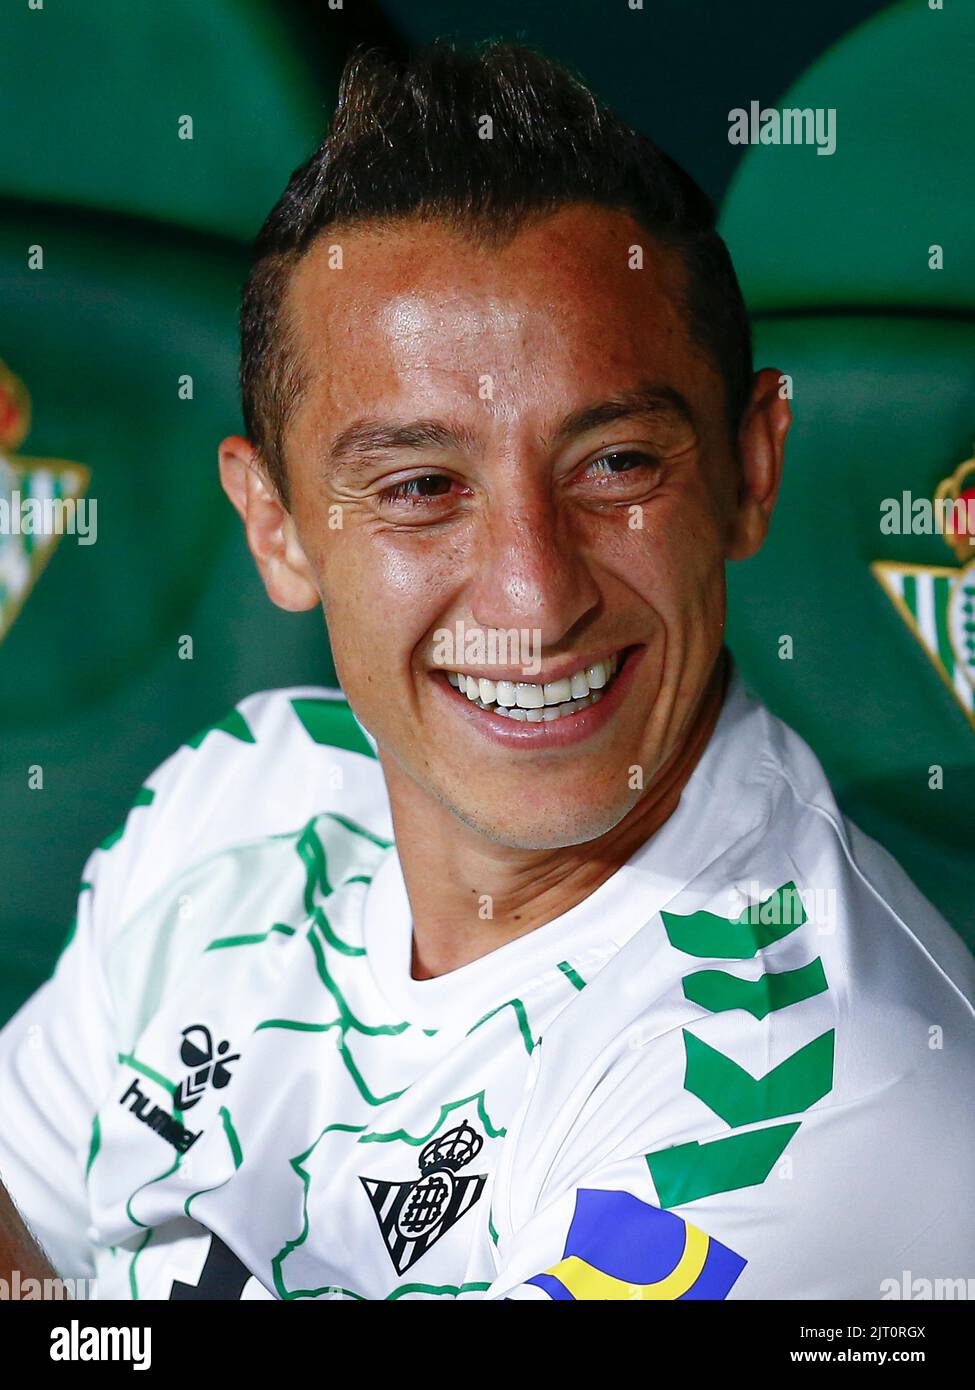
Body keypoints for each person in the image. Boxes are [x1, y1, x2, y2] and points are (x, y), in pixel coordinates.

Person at [1, 39, 972, 1302]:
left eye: (615, 464)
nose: (534, 592)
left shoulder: (809, 1093)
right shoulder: (242, 794)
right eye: (420, 488)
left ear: (752, 469)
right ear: (276, 524)